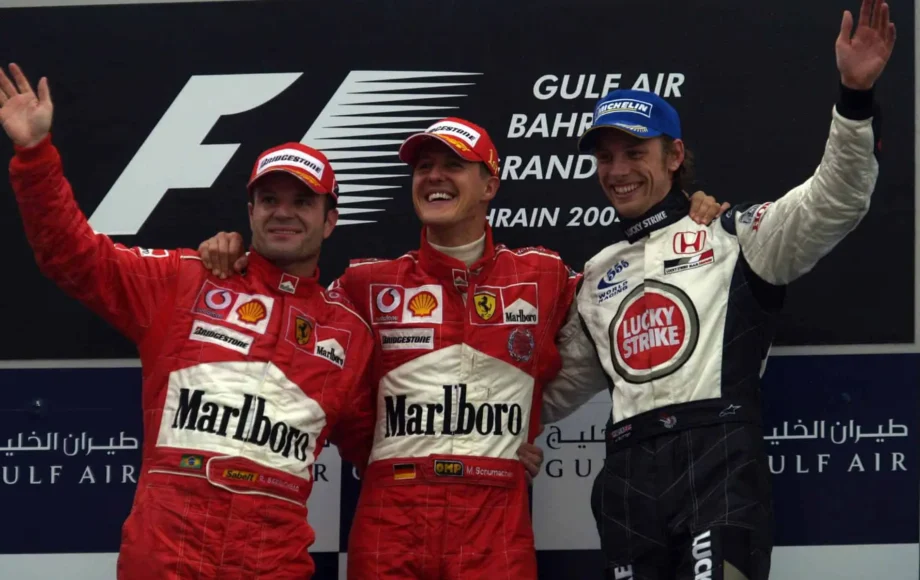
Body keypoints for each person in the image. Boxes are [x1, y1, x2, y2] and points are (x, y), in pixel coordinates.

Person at [199, 115, 725, 577]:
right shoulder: (365, 285)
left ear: (490, 184)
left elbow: (622, 305)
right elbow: (296, 338)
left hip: (493, 525)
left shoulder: (542, 275)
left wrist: (686, 215)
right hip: (391, 521)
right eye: (423, 167)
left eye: (453, 165)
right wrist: (240, 260)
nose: (433, 177)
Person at [541, 1, 895, 578]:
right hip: (628, 482)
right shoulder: (596, 277)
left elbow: (836, 200)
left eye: (635, 153)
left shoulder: (734, 234)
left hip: (718, 466)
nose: (618, 170)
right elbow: (547, 393)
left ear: (674, 156)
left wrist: (854, 98)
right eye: (606, 157)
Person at [3, 63, 376, 579]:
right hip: (166, 559)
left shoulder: (350, 334)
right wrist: (34, 155)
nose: (283, 213)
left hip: (272, 565)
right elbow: (73, 257)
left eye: (302, 202)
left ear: (330, 220)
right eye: (269, 199)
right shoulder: (187, 280)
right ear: (250, 211)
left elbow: (385, 445)